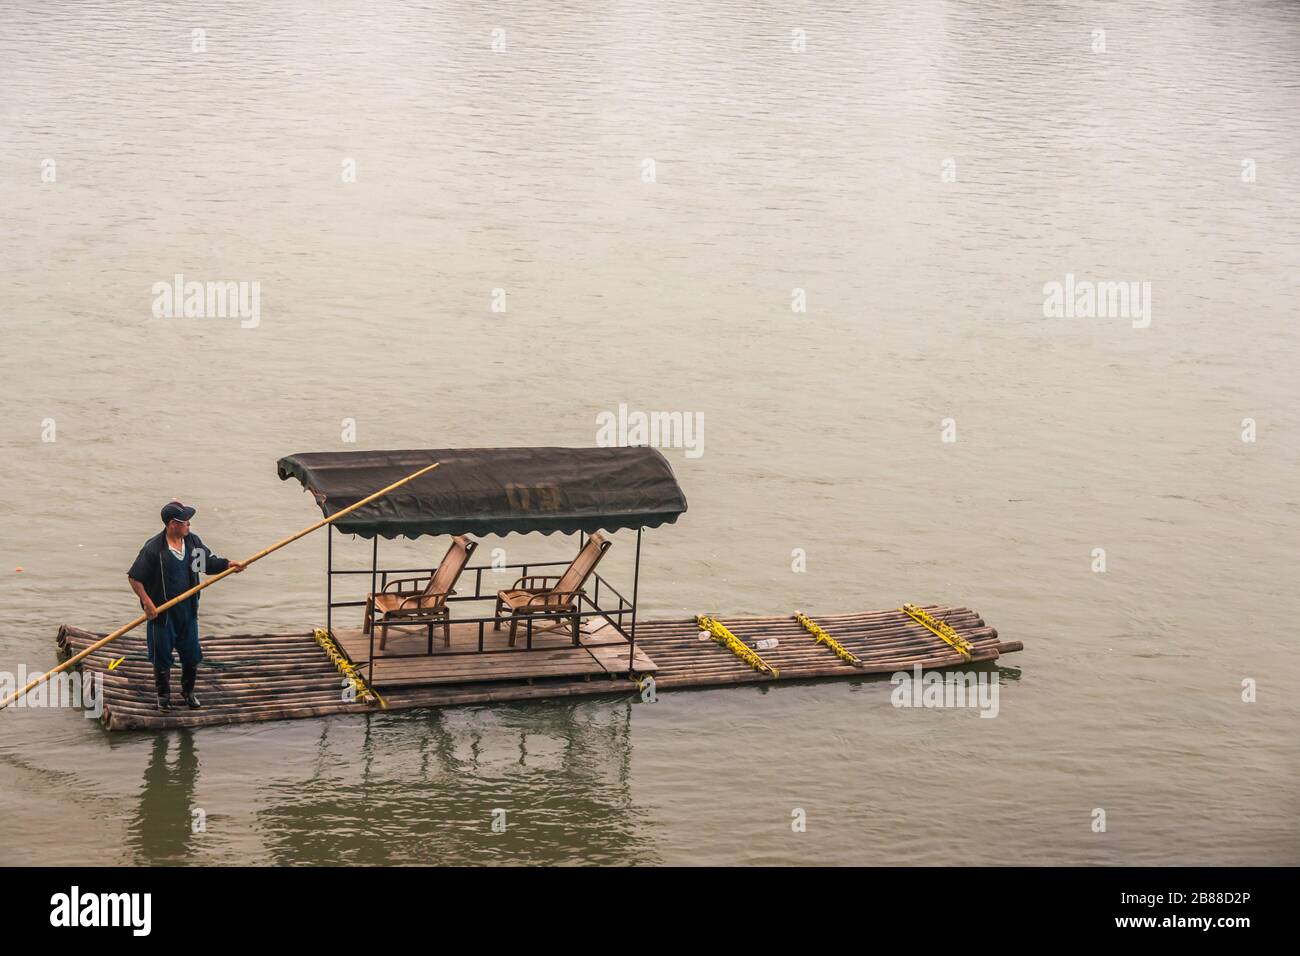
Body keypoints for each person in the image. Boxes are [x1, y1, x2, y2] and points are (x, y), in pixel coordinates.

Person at [127, 501, 244, 710]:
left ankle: (188, 693)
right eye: (185, 521)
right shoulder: (154, 549)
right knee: (161, 656)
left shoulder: (191, 542)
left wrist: (228, 565)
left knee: (191, 655)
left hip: (187, 611)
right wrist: (148, 604)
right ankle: (163, 698)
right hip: (162, 614)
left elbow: (205, 563)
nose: (189, 524)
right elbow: (135, 578)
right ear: (173, 524)